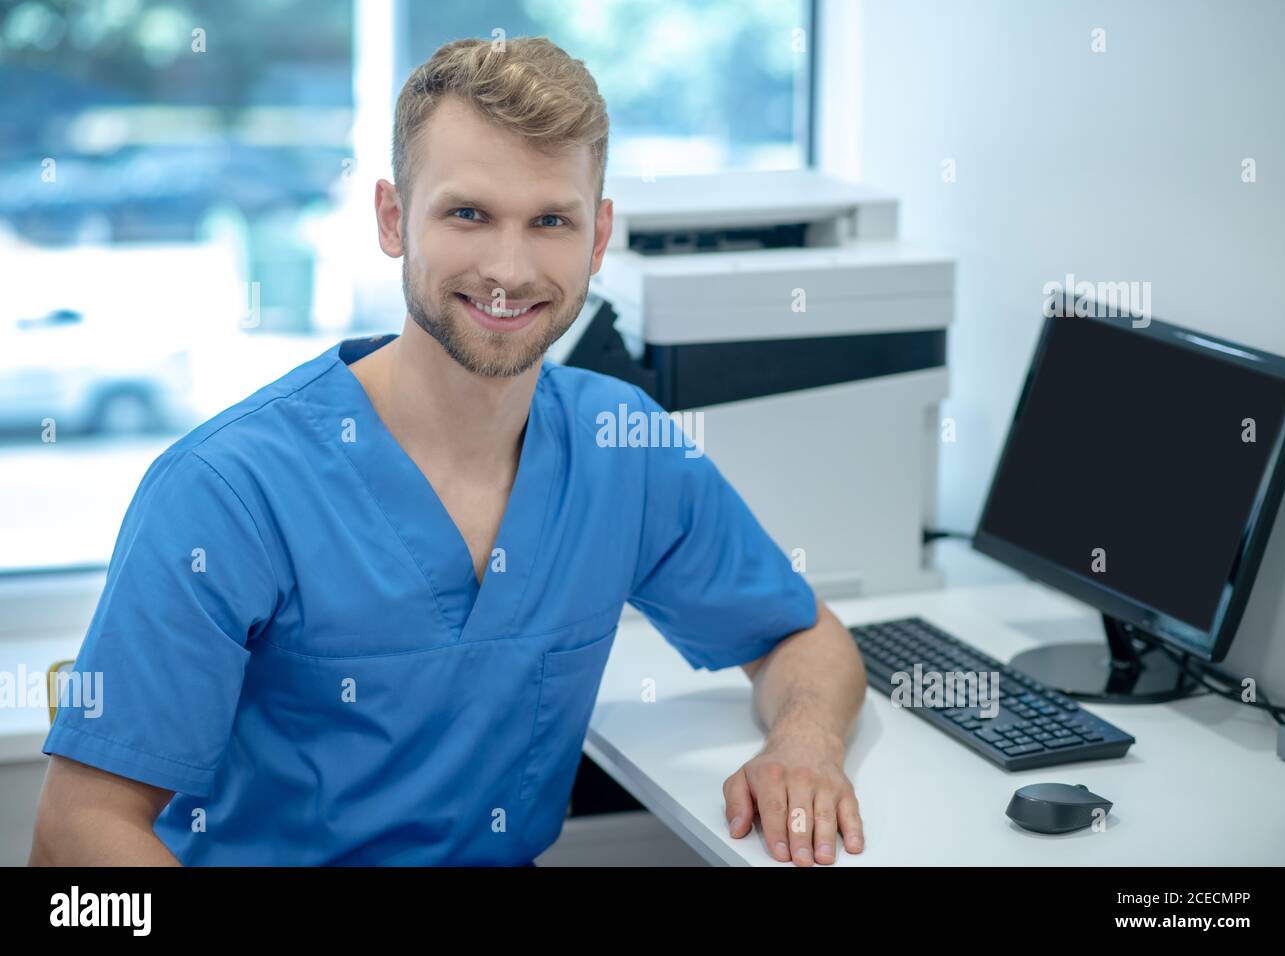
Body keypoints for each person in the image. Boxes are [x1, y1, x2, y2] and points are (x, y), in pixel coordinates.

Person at [30, 36, 866, 867]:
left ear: (599, 237)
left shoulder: (625, 446)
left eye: (550, 221)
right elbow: (76, 835)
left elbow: (802, 638)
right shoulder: (226, 492)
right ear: (394, 220)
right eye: (468, 214)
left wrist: (804, 745)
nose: (509, 267)